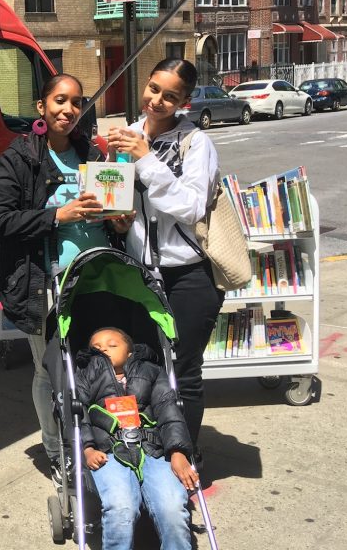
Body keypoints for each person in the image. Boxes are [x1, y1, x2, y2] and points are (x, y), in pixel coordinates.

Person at [0, 73, 132, 473]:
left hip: (97, 278)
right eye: (60, 101)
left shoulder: (93, 154)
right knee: (49, 372)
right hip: (45, 285)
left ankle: (95, 441)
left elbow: (110, 214)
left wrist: (119, 223)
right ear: (42, 107)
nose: (69, 110)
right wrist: (57, 216)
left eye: (76, 102)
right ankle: (58, 451)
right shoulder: (20, 158)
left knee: (98, 365)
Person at [105, 58, 221, 455]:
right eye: (154, 89)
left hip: (188, 275)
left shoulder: (196, 143)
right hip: (140, 274)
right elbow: (117, 199)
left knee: (184, 373)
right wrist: (119, 222)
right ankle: (147, 450)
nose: (156, 100)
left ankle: (183, 456)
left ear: (184, 101)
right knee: (140, 369)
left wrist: (147, 159)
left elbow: (191, 207)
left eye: (170, 96)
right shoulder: (127, 136)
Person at [76, 327, 197, 550]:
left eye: (112, 345)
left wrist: (177, 451)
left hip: (153, 447)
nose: (104, 349)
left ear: (130, 352)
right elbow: (77, 415)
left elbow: (168, 411)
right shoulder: (85, 375)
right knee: (121, 507)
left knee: (172, 506)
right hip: (107, 450)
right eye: (97, 347)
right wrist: (88, 448)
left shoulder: (151, 371)